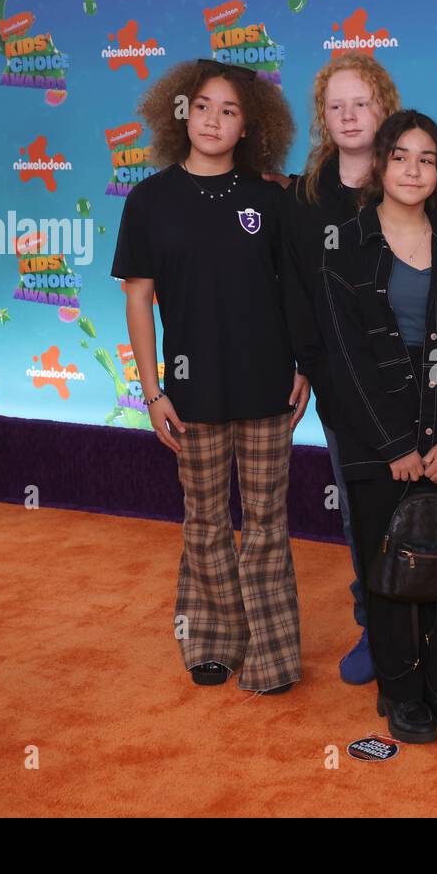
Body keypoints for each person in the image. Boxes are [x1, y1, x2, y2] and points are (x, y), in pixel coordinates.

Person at [111, 58, 309, 695]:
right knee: (202, 520)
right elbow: (138, 297)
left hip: (267, 385)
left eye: (228, 111)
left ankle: (273, 656)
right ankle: (213, 643)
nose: (213, 120)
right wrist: (152, 388)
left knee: (266, 524)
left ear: (250, 125)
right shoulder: (149, 200)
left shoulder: (271, 198)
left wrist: (303, 362)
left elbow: (297, 289)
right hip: (191, 391)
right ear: (182, 113)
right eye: (202, 107)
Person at [281, 54, 437, 687]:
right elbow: (299, 298)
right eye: (335, 105)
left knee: (434, 504)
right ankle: (378, 626)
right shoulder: (307, 198)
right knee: (366, 515)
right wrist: (313, 371)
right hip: (348, 386)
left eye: (360, 102)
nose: (347, 115)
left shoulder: (414, 184)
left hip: (429, 385)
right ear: (322, 117)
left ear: (384, 108)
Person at [308, 110, 437, 743]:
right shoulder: (342, 241)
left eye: (427, 159)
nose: (413, 170)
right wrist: (392, 444)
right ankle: (401, 693)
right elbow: (343, 353)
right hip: (371, 425)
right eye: (401, 157)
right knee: (386, 566)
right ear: (380, 165)